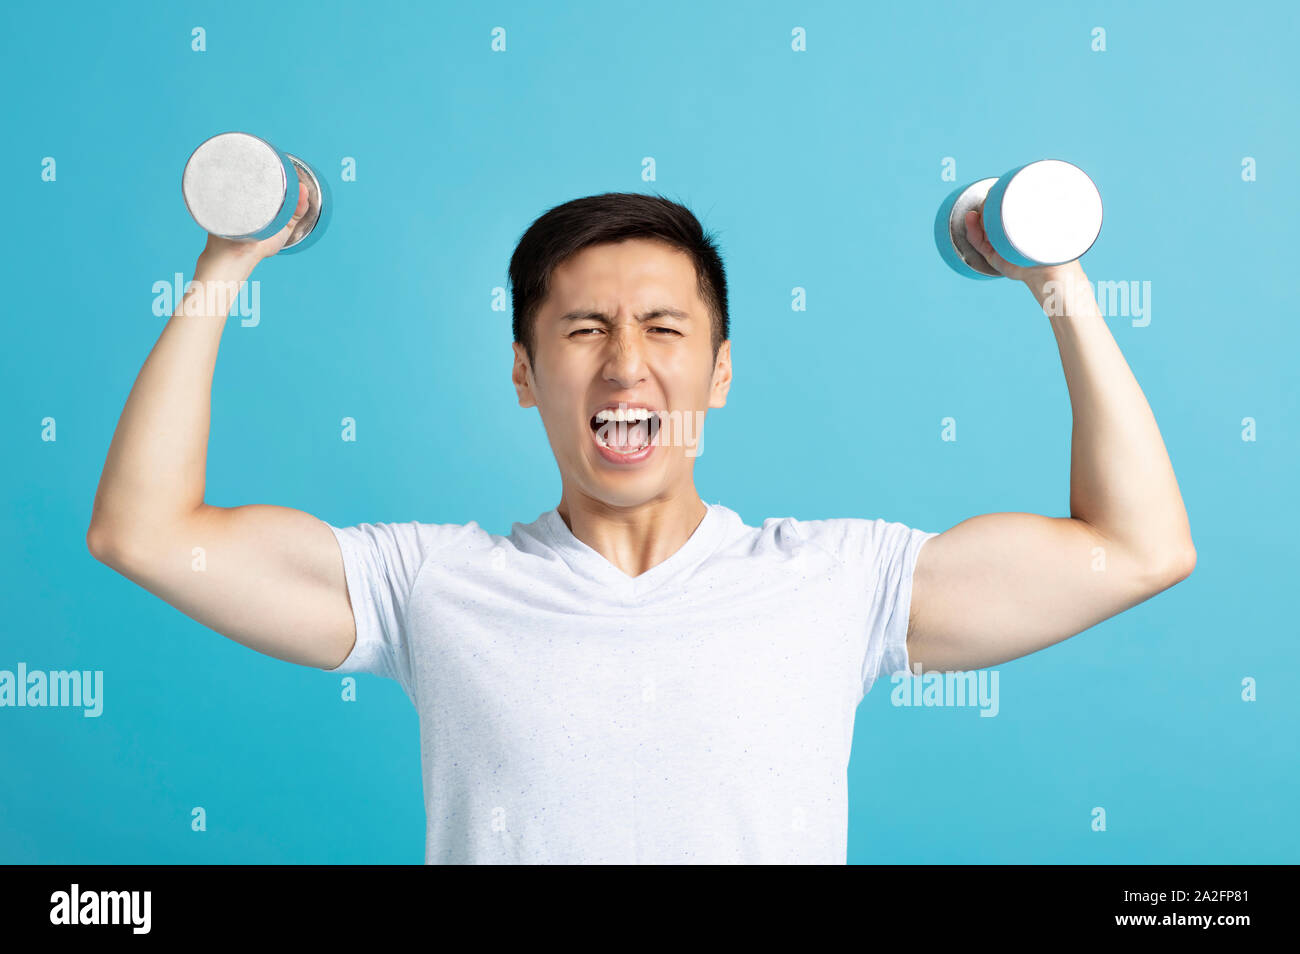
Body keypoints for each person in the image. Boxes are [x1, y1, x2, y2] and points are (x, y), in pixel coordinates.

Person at [87, 184, 1195, 864]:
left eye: (663, 328)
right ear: (525, 374)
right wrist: (229, 257)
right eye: (582, 331)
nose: (625, 363)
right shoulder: (425, 584)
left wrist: (1056, 276)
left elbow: (1140, 550)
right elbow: (143, 531)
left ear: (717, 373)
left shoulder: (838, 582)